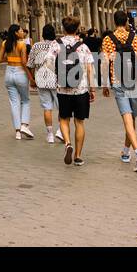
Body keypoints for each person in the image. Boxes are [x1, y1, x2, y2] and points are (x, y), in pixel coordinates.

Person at [100, 10, 137, 173]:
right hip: (135, 81)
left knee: (128, 120)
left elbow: (105, 63)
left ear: (114, 22)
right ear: (127, 21)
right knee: (132, 119)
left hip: (118, 81)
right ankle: (127, 152)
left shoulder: (107, 40)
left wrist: (105, 84)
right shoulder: (136, 38)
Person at [55, 16, 95, 167]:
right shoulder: (83, 47)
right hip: (81, 89)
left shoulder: (56, 45)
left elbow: (49, 63)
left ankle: (67, 143)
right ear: (77, 29)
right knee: (80, 122)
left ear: (63, 28)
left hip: (63, 89)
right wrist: (92, 89)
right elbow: (90, 69)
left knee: (64, 119)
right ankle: (78, 156)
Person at [27, 24, 64, 142]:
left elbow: (30, 64)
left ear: (43, 34)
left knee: (47, 107)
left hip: (41, 80)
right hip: (56, 80)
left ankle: (50, 135)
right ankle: (60, 131)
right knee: (62, 108)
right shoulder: (58, 46)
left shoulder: (36, 46)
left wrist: (32, 79)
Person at [0, 24, 33, 139]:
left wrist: (9, 58)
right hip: (20, 73)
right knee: (25, 100)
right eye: (21, 30)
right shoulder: (22, 44)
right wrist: (31, 77)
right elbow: (24, 62)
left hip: (9, 73)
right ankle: (24, 125)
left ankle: (17, 131)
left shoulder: (5, 43)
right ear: (16, 33)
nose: (23, 32)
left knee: (14, 102)